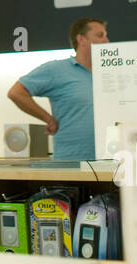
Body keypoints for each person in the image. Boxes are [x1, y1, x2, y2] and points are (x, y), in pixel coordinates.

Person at [7, 18, 109, 160]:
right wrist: (48, 119)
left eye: (105, 35)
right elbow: (16, 93)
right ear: (81, 39)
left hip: (109, 161)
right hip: (71, 162)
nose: (106, 41)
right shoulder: (57, 70)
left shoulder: (109, 73)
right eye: (100, 36)